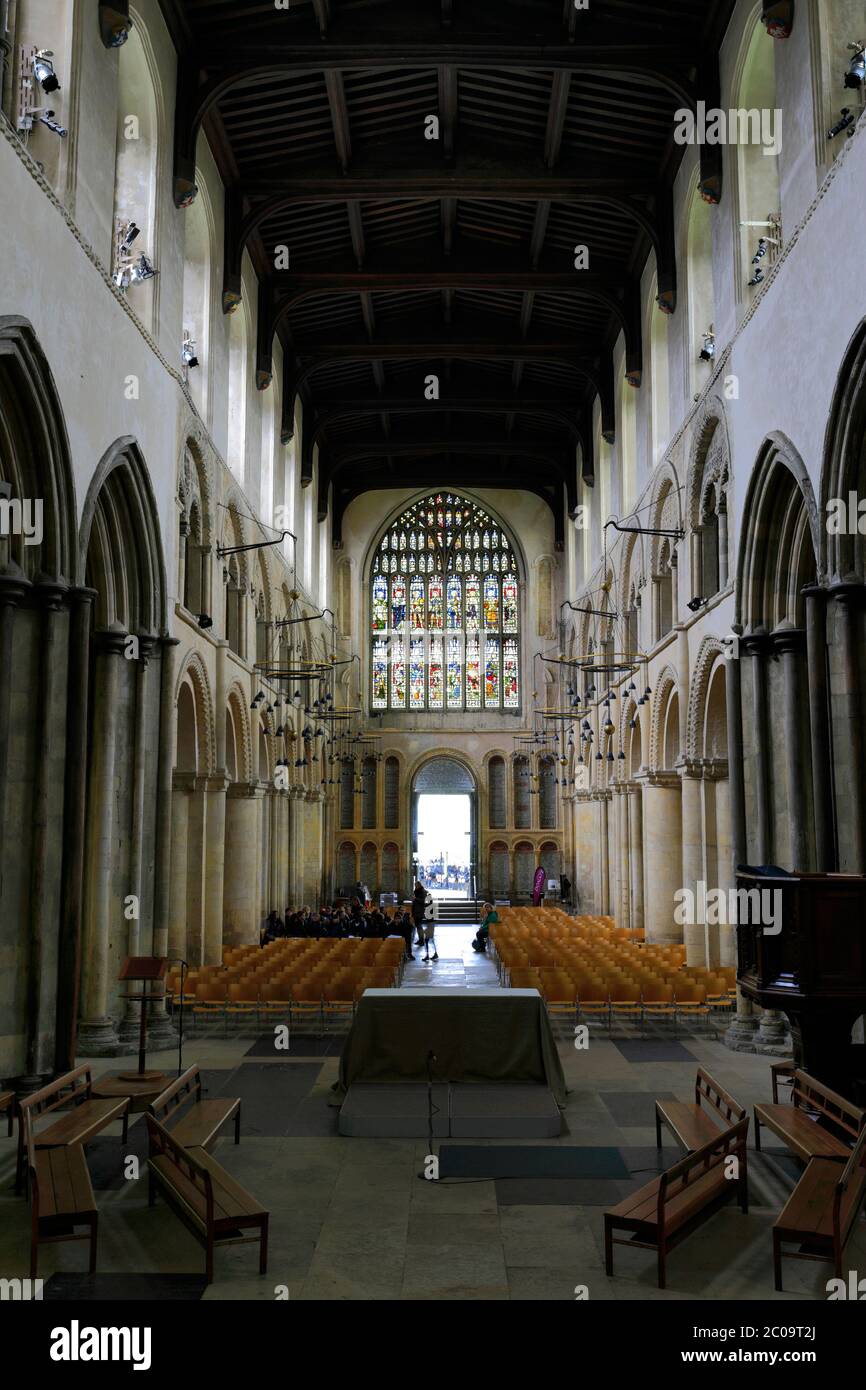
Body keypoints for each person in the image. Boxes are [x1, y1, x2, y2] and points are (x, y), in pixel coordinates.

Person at [421, 889, 437, 962]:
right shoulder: (432, 905)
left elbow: (429, 916)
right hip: (430, 924)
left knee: (428, 940)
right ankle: (431, 954)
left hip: (430, 924)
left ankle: (429, 954)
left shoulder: (430, 906)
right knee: (429, 940)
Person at [411, 881, 428, 948]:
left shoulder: (423, 892)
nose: (415, 887)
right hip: (416, 910)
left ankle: (422, 940)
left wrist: (416, 899)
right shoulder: (417, 891)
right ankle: (420, 939)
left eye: (416, 885)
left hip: (419, 911)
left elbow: (424, 901)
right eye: (415, 886)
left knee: (419, 926)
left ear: (419, 885)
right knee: (418, 926)